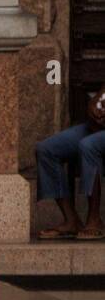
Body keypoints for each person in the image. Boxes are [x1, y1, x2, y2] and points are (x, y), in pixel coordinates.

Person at [33, 88, 105, 240]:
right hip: (97, 127)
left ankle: (95, 220)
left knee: (88, 145)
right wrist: (94, 105)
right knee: (46, 149)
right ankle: (71, 221)